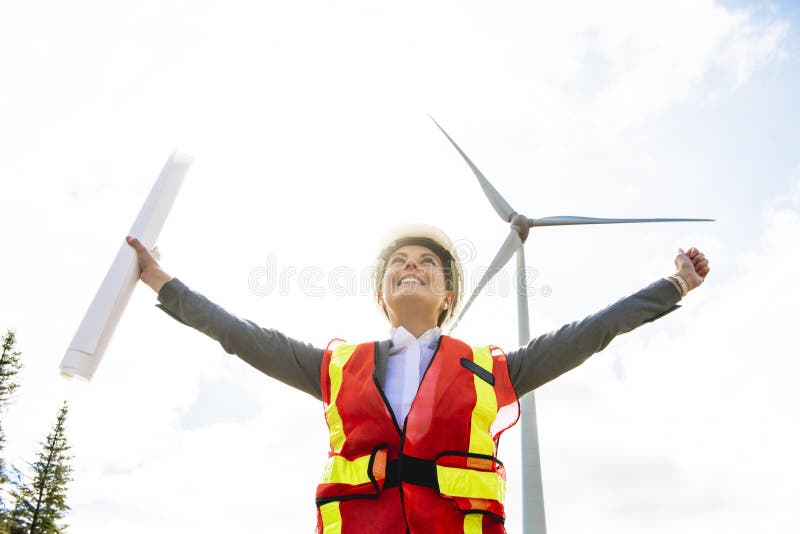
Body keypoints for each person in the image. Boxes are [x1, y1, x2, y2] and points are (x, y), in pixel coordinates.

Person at [125, 225, 710, 534]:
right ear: (383, 295)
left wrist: (673, 286)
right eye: (399, 263)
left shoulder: (494, 369)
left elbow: (592, 331)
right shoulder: (334, 367)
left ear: (447, 296)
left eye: (426, 263)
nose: (411, 266)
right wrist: (160, 282)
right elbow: (240, 334)